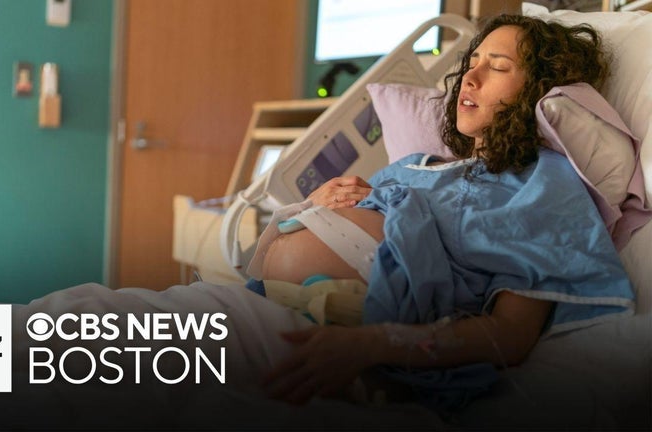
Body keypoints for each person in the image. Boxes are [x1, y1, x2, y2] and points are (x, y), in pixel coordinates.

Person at [256, 14, 628, 406]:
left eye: (498, 67)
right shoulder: (416, 165)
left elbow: (511, 334)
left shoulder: (540, 186)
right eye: (472, 62)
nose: (471, 77)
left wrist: (369, 344)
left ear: (539, 90)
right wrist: (313, 205)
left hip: (345, 342)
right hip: (273, 303)